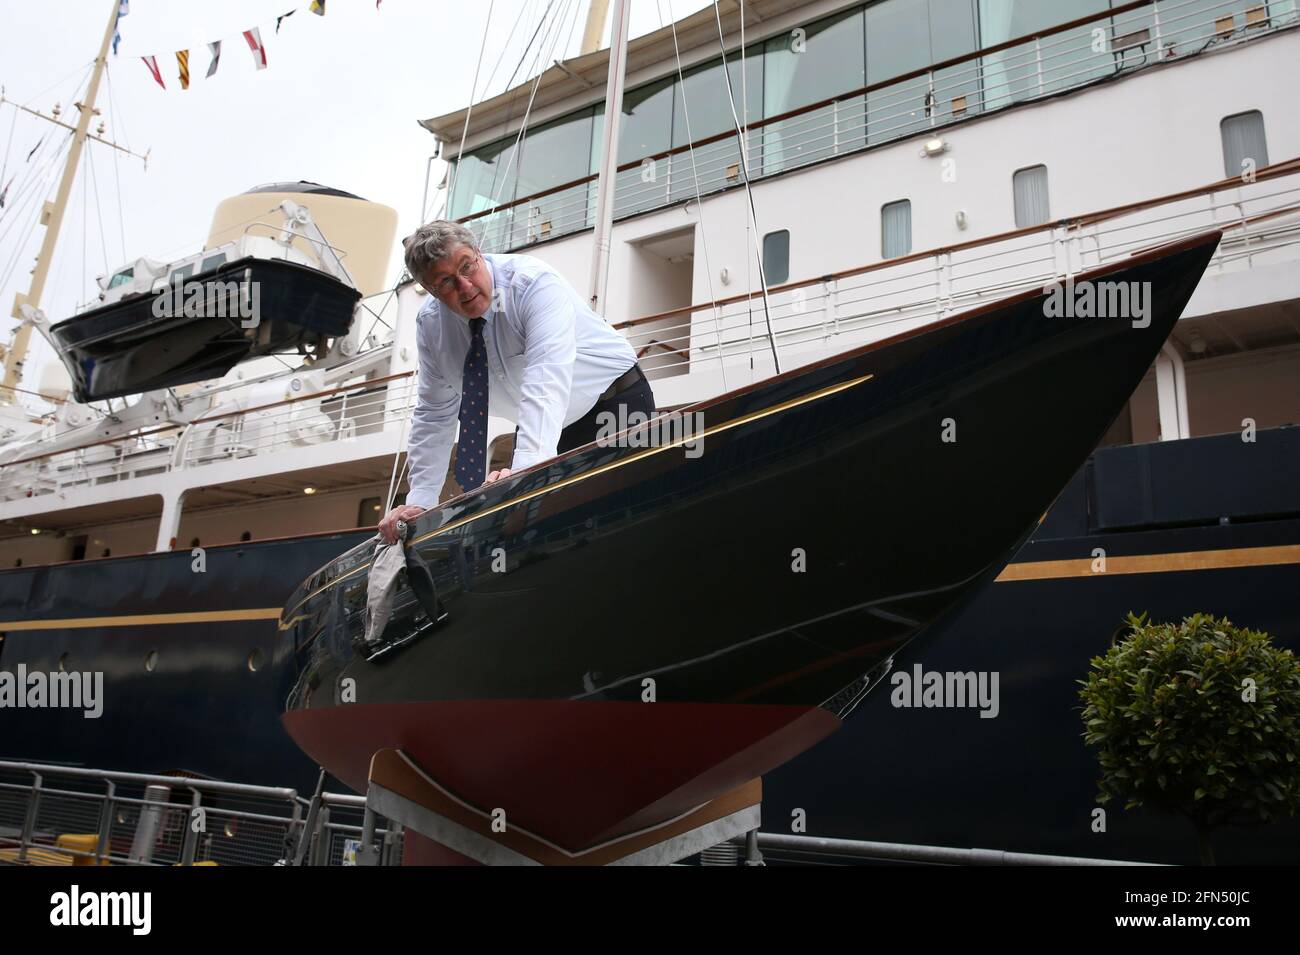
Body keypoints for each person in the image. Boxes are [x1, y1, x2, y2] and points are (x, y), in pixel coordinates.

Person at [378, 220, 654, 543]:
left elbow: (546, 380)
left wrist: (526, 474)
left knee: (622, 523)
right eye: (446, 282)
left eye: (468, 266)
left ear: (479, 253)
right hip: (540, 426)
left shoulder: (532, 285)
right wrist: (420, 501)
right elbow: (434, 415)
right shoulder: (431, 327)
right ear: (430, 291)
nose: (465, 286)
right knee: (536, 536)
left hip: (614, 404)